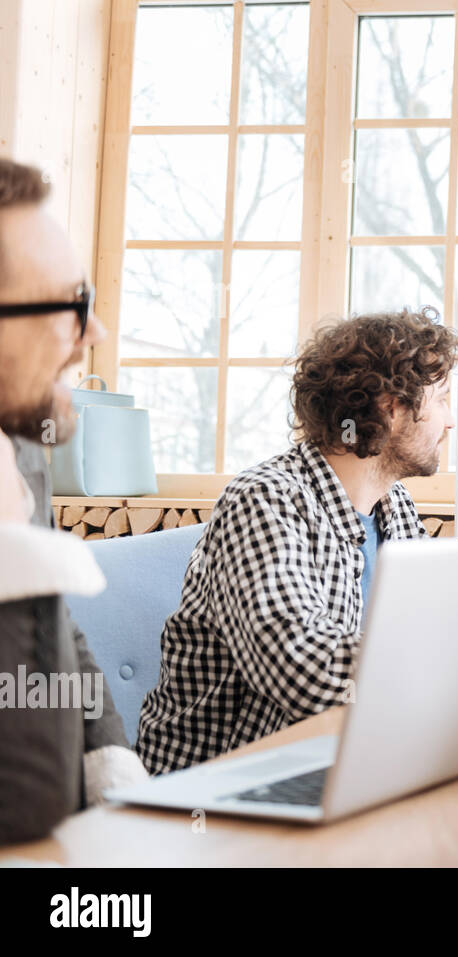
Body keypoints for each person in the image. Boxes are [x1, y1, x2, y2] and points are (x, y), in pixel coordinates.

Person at [137, 310, 458, 774]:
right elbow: (302, 670)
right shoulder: (266, 500)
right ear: (391, 406)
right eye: (444, 399)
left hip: (345, 760)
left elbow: (427, 630)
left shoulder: (396, 507)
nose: (450, 423)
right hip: (223, 786)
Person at [0, 157, 146, 844]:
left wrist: (116, 777)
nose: (96, 333)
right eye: (75, 304)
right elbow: (23, 798)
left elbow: (62, 630)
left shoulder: (23, 446)